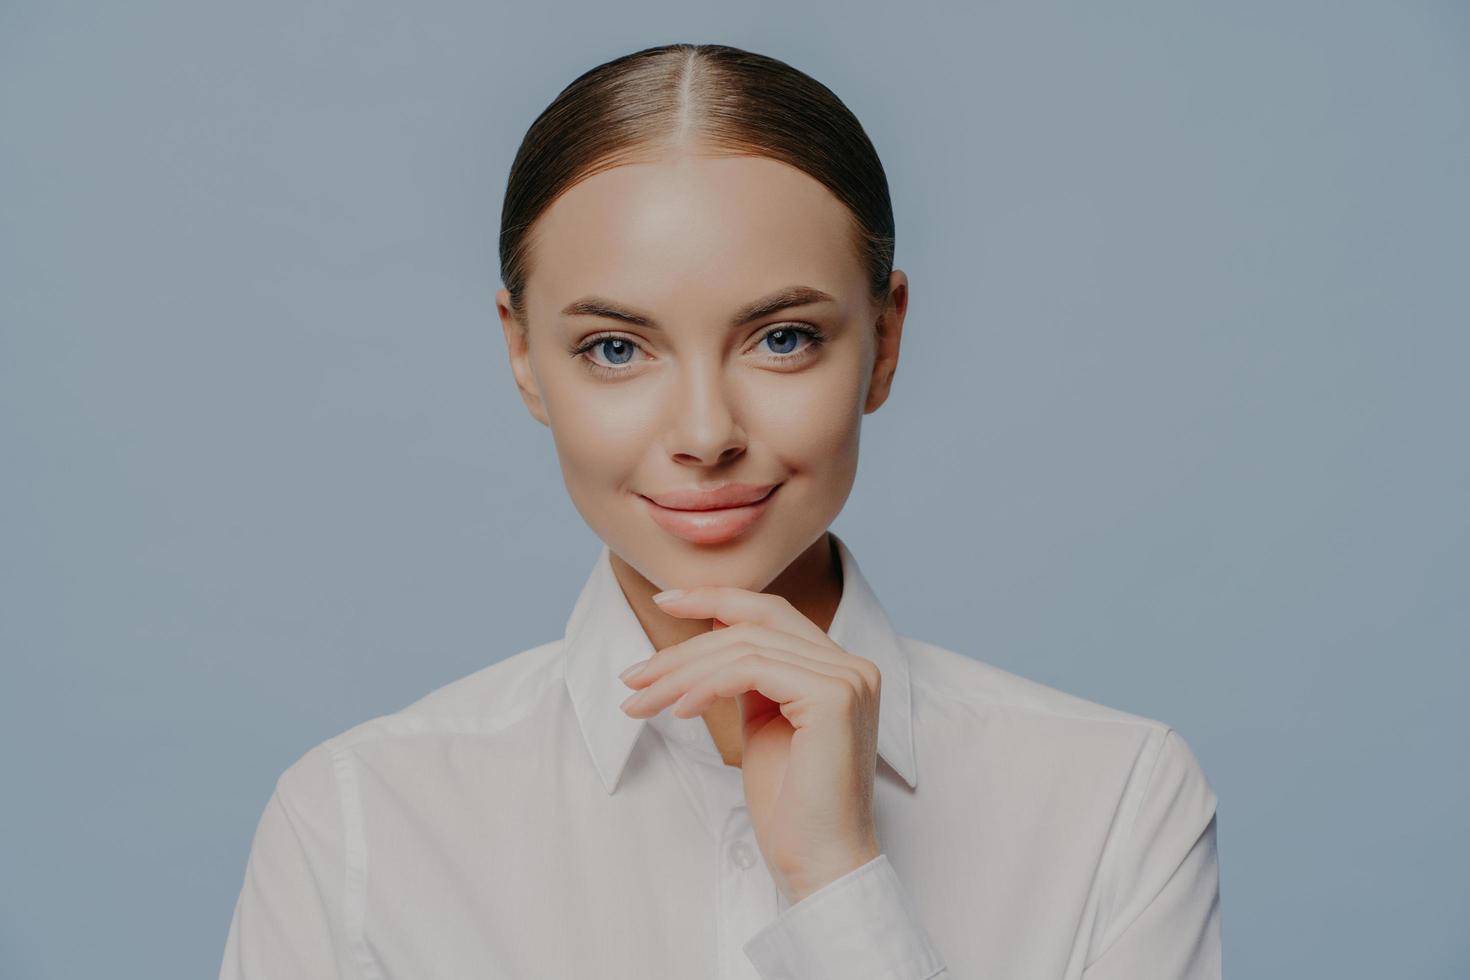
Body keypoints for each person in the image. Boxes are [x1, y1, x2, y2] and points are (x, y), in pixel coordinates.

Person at [219, 42, 1221, 980]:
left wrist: (839, 882)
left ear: (884, 340)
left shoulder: (1113, 800)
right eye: (616, 348)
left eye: (783, 337)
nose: (705, 433)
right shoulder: (359, 822)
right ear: (523, 356)